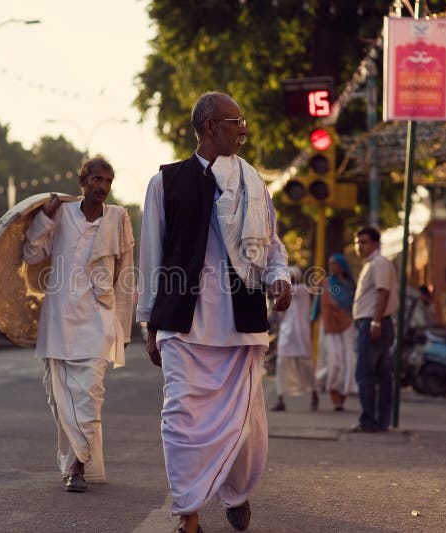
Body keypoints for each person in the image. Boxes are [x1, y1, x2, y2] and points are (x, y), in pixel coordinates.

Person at [137, 91, 291, 533]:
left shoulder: (254, 183)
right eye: (235, 122)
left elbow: (272, 244)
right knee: (180, 418)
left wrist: (278, 276)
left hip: (240, 326)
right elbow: (152, 255)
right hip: (183, 325)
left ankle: (236, 492)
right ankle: (188, 511)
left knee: (246, 427)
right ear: (209, 126)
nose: (243, 130)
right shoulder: (164, 183)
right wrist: (150, 322)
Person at [22, 156, 134, 493]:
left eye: (107, 182)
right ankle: (75, 461)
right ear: (82, 182)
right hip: (59, 320)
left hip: (98, 322)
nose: (101, 187)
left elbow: (126, 274)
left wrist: (123, 327)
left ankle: (78, 468)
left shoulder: (118, 218)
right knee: (59, 400)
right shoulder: (60, 214)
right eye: (96, 180)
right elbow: (30, 255)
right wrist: (44, 217)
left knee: (89, 397)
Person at [350, 227, 399, 433]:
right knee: (381, 375)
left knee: (366, 374)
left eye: (364, 242)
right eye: (358, 242)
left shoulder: (378, 263)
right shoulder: (371, 264)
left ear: (376, 245)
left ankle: (369, 420)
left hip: (374, 324)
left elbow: (383, 293)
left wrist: (376, 322)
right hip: (374, 323)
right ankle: (379, 422)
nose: (360, 246)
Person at [315, 253, 358, 411]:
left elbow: (353, 303)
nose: (331, 267)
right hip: (329, 325)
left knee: (348, 361)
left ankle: (342, 396)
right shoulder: (325, 283)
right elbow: (317, 305)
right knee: (334, 360)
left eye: (334, 264)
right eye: (330, 263)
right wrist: (312, 318)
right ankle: (331, 390)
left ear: (341, 266)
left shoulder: (349, 285)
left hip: (347, 323)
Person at [271, 266, 317, 412]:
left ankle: (314, 393)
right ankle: (280, 399)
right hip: (287, 335)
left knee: (305, 366)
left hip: (301, 335)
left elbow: (284, 292)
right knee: (282, 365)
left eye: (290, 278)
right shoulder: (283, 292)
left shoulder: (302, 290)